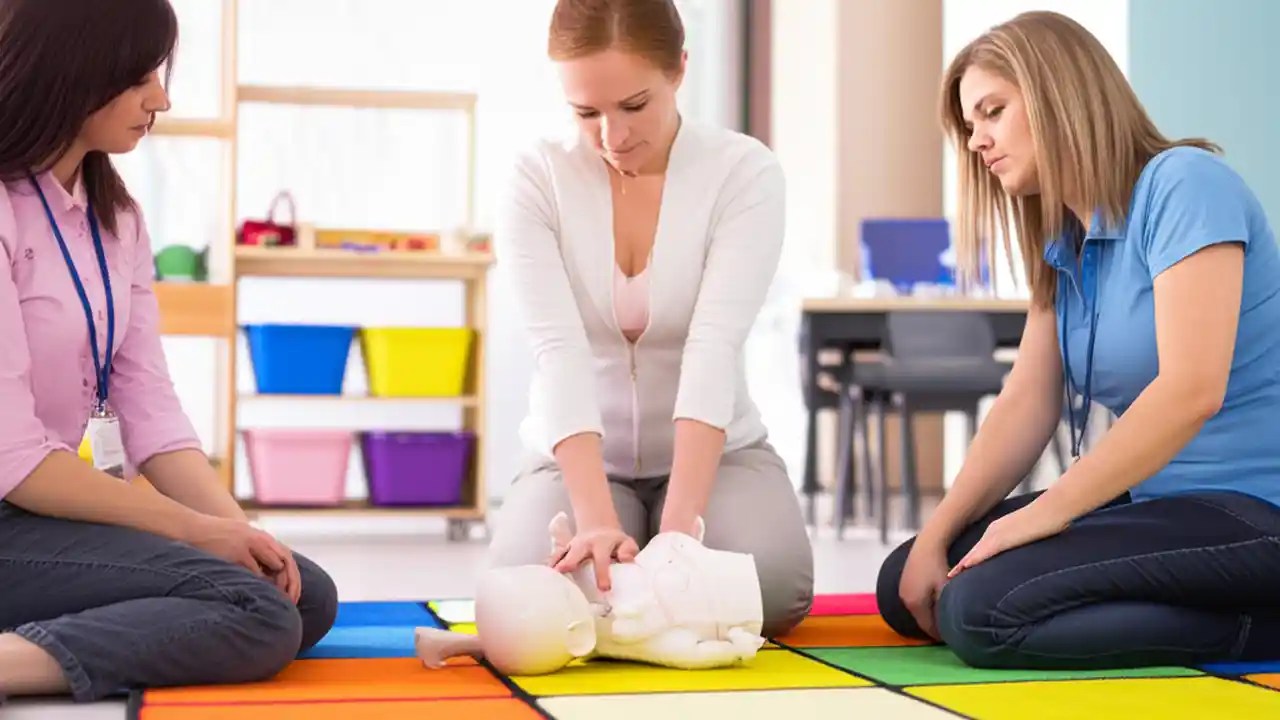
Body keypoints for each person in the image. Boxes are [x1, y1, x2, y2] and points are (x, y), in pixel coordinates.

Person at [876, 10, 1280, 670]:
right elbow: (1026, 403)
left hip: (1256, 513)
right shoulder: (1064, 240)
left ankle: (1254, 631)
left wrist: (1047, 514)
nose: (978, 139)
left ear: (1056, 91)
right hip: (1164, 506)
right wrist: (941, 529)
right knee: (908, 582)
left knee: (978, 611)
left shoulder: (1184, 186)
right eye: (970, 125)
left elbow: (1190, 391)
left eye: (993, 111)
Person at [0, 0, 338, 703]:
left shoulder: (116, 219)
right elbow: (17, 461)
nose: (161, 98)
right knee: (254, 611)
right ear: (72, 69)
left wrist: (238, 532)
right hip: (14, 505)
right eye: (139, 76)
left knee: (301, 593)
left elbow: (151, 414)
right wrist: (194, 531)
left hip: (39, 517)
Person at [487, 0, 813, 637]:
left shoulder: (743, 172)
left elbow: (713, 345)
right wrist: (592, 518)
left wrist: (678, 540)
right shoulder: (536, 177)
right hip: (579, 459)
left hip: (721, 458)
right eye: (586, 113)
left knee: (771, 589)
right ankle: (633, 575)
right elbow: (559, 351)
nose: (613, 136)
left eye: (634, 105)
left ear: (679, 71)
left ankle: (644, 570)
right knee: (529, 589)